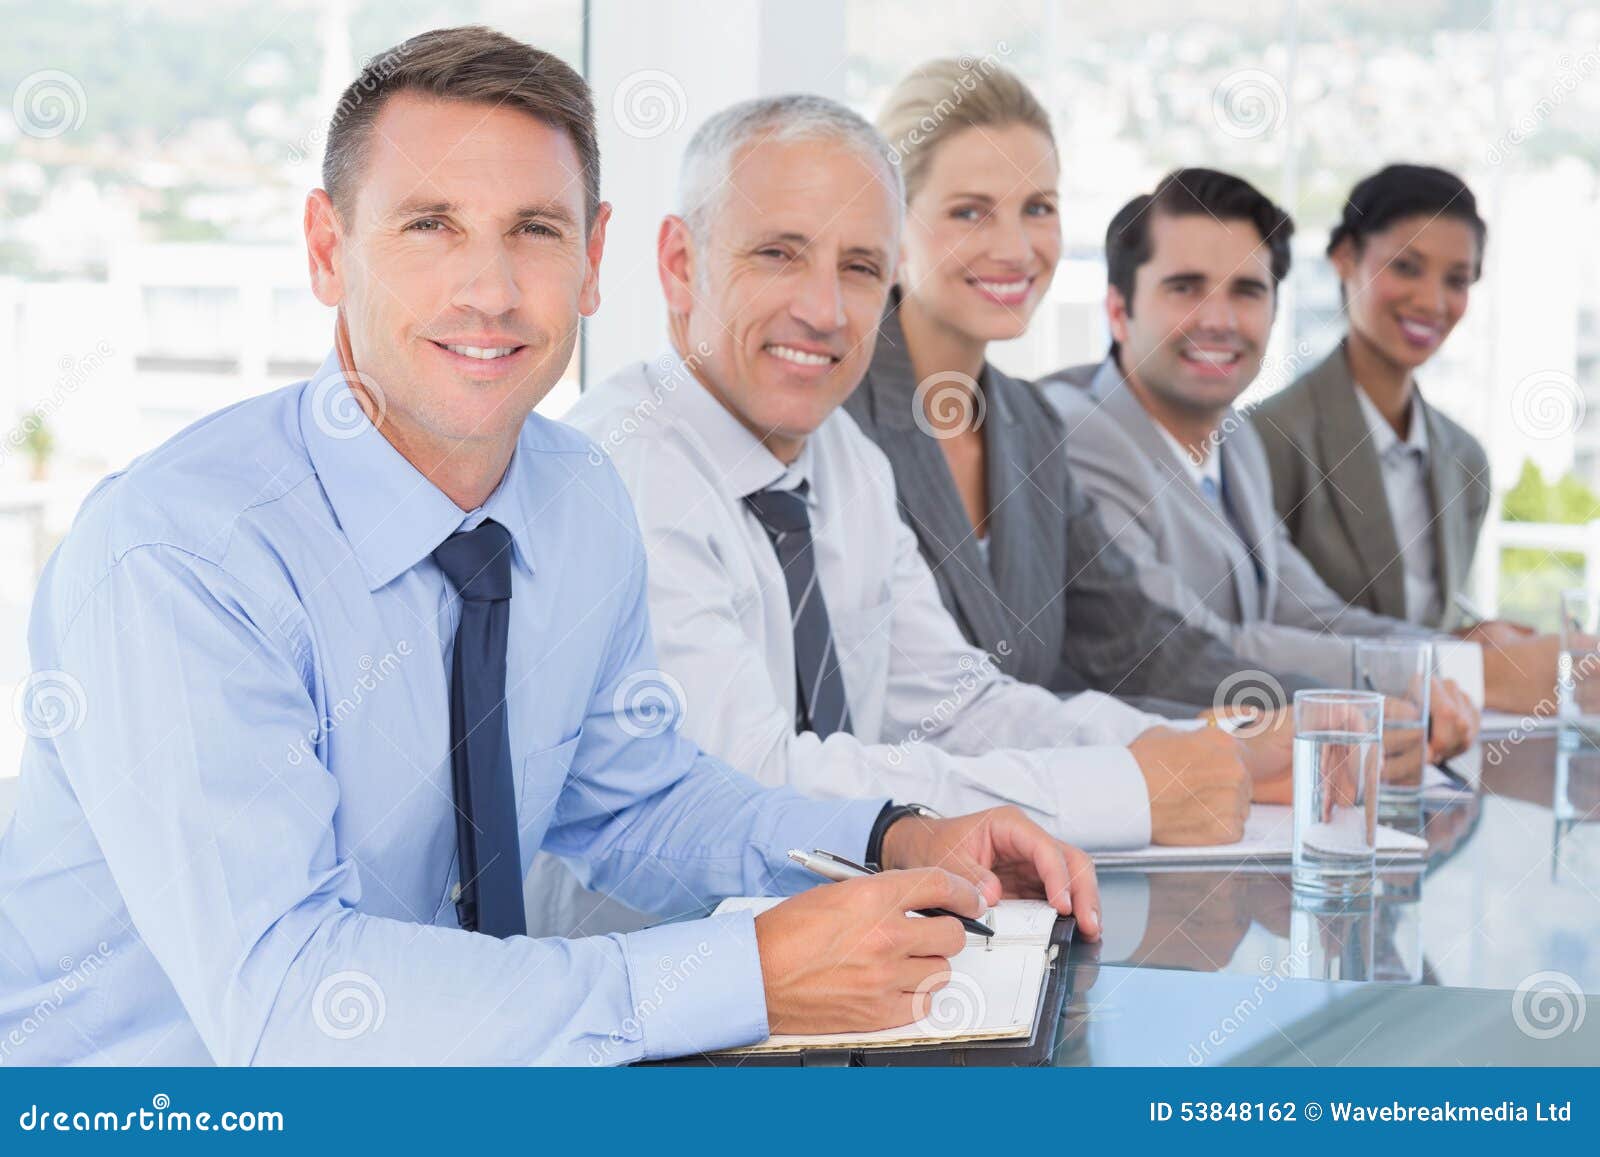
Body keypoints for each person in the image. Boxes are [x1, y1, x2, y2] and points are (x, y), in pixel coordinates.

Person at [0, 26, 1100, 1067]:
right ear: (328, 250)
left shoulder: (573, 496)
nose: (489, 290)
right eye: (429, 224)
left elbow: (632, 800)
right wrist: (743, 971)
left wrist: (890, 834)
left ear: (592, 260)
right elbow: (292, 1001)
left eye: (534, 229)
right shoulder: (180, 555)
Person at [567, 93, 1294, 882]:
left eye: (860, 268)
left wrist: (1169, 751)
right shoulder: (628, 471)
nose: (823, 310)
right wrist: (1122, 788)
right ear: (680, 264)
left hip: (856, 957)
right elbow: (757, 783)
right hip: (674, 969)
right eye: (778, 254)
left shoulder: (843, 455)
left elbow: (956, 707)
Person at [844, 59, 1318, 723]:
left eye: (1038, 208)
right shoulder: (835, 412)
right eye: (970, 212)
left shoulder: (1028, 422)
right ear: (893, 230)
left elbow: (1135, 641)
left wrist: (1312, 713)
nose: (1015, 247)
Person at [1040, 168, 1555, 715]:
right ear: (1119, 312)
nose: (1218, 320)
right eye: (1185, 287)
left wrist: (1455, 651)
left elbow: (1309, 613)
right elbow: (1195, 648)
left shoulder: (1234, 445)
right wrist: (1465, 673)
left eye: (1247, 290)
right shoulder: (1077, 438)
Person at [1250, 164, 1507, 635]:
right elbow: (1269, 629)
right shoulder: (1268, 439)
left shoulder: (1466, 461)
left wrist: (1478, 639)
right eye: (1406, 267)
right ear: (1346, 257)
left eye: (1457, 280)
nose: (1432, 302)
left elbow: (1431, 620)